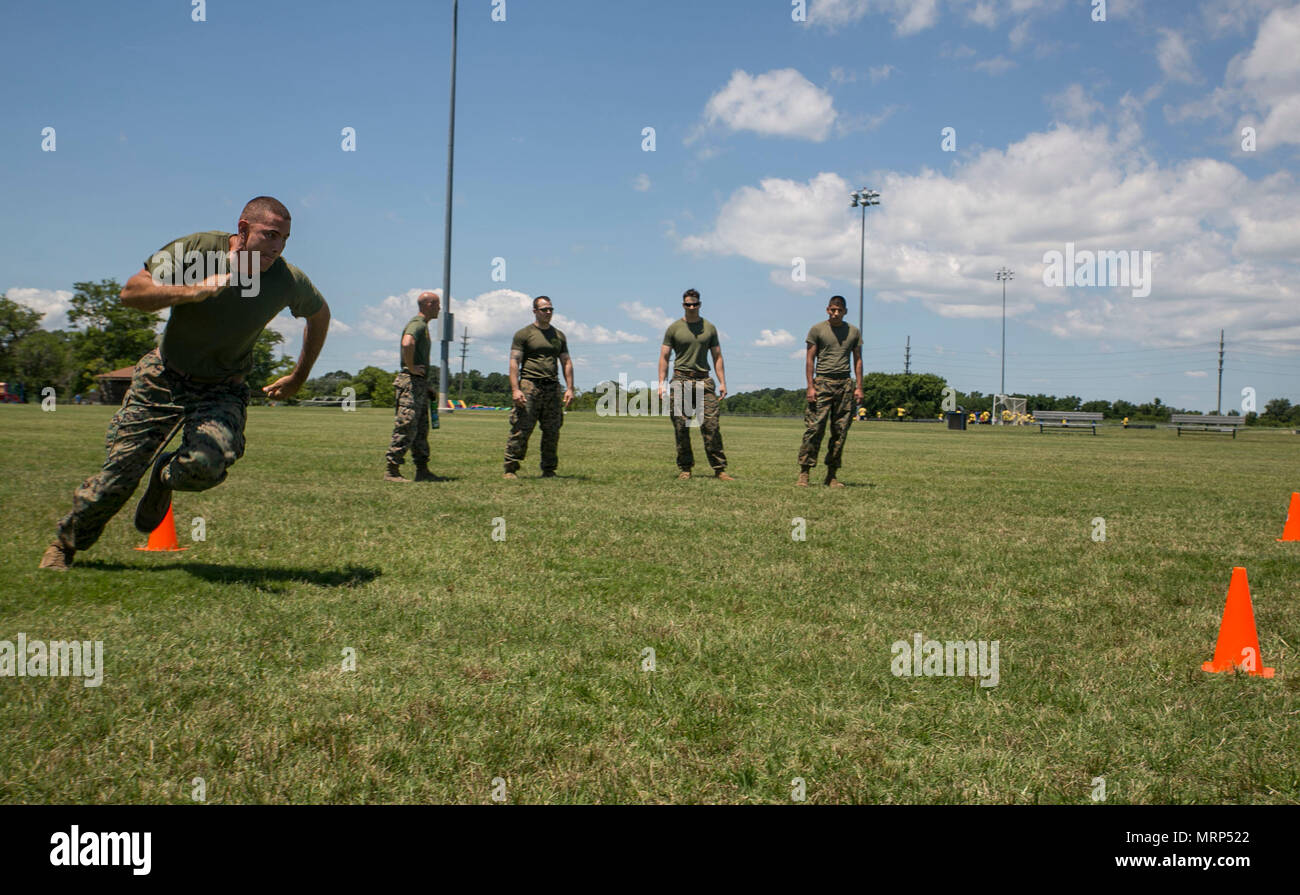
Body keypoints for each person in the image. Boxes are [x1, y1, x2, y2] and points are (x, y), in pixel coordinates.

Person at [39, 196, 330, 571]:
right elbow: (132, 293)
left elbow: (320, 315)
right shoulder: (198, 250)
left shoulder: (285, 279)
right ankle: (65, 545)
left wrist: (298, 376)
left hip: (222, 387)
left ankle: (164, 477)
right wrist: (193, 290)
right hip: (164, 377)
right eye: (270, 235)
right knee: (117, 478)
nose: (277, 246)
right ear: (242, 230)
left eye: (285, 238)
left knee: (207, 465)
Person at [657, 289, 732, 481]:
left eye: (695, 304)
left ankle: (719, 469)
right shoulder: (673, 328)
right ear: (683, 305)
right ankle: (685, 468)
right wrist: (661, 384)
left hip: (704, 381)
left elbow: (717, 356)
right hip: (680, 379)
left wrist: (722, 382)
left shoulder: (709, 328)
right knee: (681, 427)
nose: (691, 307)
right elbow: (664, 357)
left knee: (711, 426)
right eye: (688, 304)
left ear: (700, 304)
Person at [503, 296, 573, 479]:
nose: (548, 312)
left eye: (551, 309)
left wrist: (570, 388)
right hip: (529, 385)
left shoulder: (559, 335)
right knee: (521, 427)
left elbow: (566, 361)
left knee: (552, 430)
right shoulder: (524, 334)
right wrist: (515, 389)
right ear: (535, 311)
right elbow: (514, 361)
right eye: (544, 309)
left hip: (552, 387)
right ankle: (510, 468)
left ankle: (549, 469)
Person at [797, 295, 863, 487]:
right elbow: (810, 359)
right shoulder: (817, 329)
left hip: (844, 385)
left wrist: (859, 387)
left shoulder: (853, 332)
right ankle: (804, 472)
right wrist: (810, 386)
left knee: (840, 431)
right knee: (814, 428)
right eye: (833, 309)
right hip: (822, 383)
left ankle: (831, 475)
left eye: (839, 310)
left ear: (845, 312)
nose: (835, 313)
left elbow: (858, 360)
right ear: (827, 309)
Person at [385, 291, 442, 482]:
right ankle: (392, 470)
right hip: (410, 382)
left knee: (420, 429)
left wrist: (426, 386)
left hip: (417, 383)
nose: (439, 308)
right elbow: (407, 343)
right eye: (437, 304)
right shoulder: (417, 324)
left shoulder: (423, 326)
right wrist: (410, 367)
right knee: (407, 425)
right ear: (428, 305)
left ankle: (422, 470)